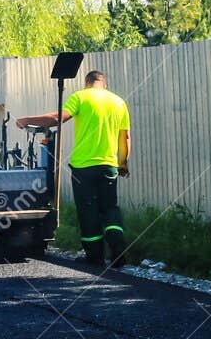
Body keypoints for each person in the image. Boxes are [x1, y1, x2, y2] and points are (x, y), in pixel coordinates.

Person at [18, 69, 131, 267]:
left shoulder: (81, 96)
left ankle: (94, 257)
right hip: (108, 165)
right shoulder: (119, 102)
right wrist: (122, 163)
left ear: (87, 82)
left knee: (88, 211)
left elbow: (57, 118)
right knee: (110, 209)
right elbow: (125, 138)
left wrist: (28, 120)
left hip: (83, 167)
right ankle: (118, 253)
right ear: (104, 83)